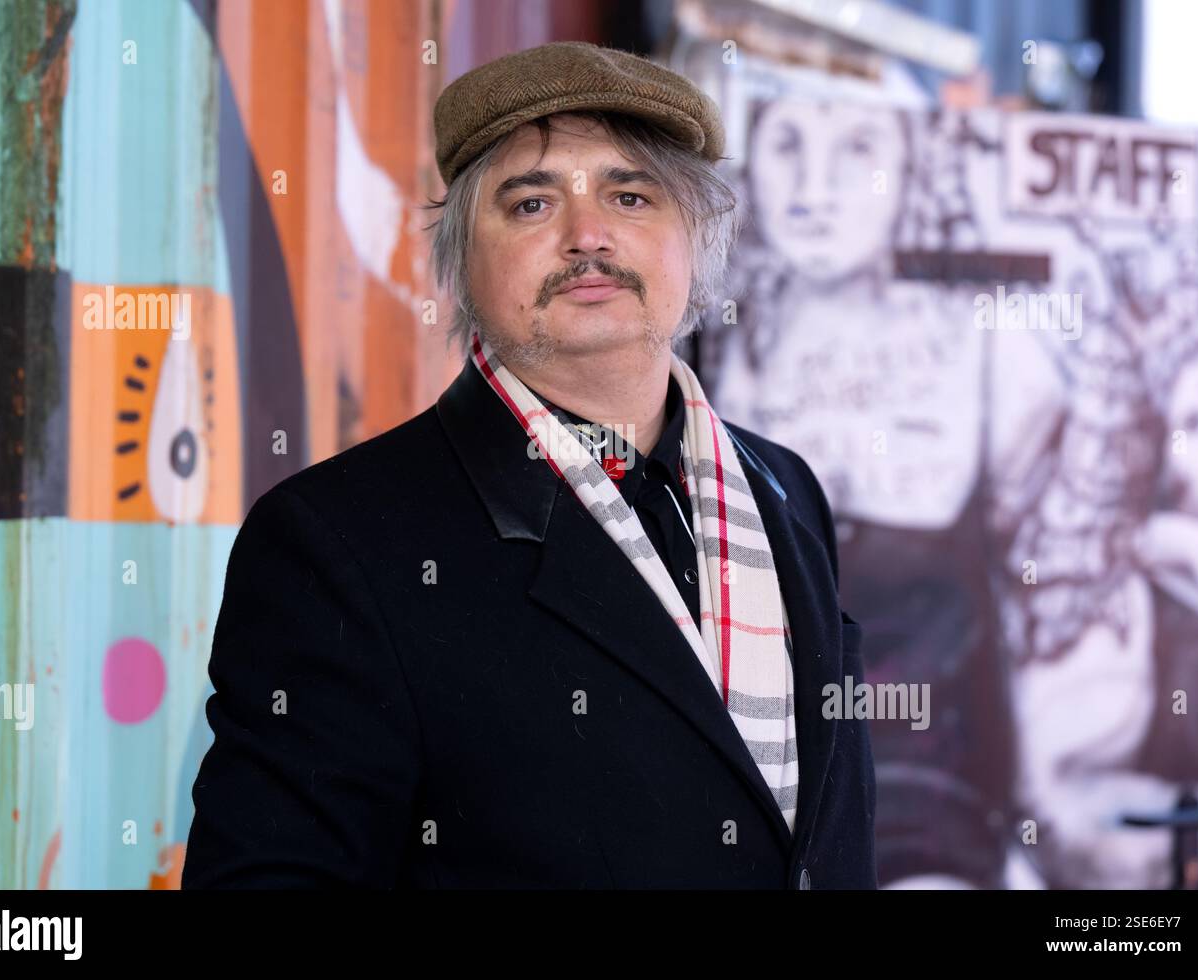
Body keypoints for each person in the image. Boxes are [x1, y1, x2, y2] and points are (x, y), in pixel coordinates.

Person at [182, 41, 874, 889]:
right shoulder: (336, 543)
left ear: (694, 239)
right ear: (462, 260)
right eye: (532, 203)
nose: (589, 236)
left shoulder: (784, 491)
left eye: (630, 195)